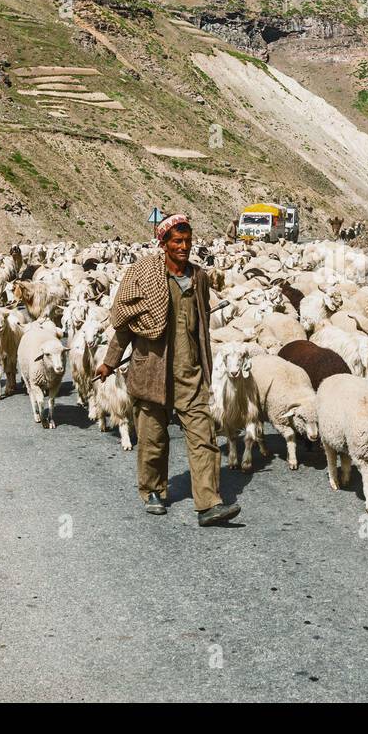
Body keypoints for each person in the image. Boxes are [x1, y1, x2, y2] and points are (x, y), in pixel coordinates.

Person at [96, 215, 240, 526]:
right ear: (164, 244)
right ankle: (152, 490)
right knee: (153, 437)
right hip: (151, 370)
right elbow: (125, 325)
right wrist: (109, 361)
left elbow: (201, 324)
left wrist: (206, 366)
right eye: (177, 242)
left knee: (204, 435)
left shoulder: (199, 278)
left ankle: (209, 503)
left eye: (187, 242)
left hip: (190, 372)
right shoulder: (145, 276)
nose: (183, 247)